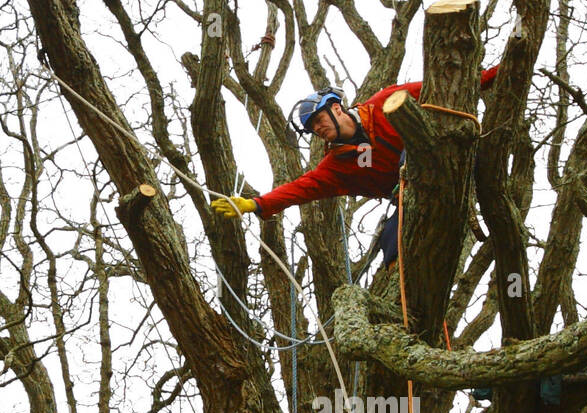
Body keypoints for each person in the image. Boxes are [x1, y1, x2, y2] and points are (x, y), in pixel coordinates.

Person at [209, 67, 499, 267]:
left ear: (336, 109)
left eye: (319, 121)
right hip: (415, 200)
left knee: (409, 156)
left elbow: (444, 88)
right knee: (391, 242)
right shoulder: (338, 167)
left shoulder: (385, 103)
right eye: (311, 129)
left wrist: (494, 75)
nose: (317, 130)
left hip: (451, 158)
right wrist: (256, 204)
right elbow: (302, 188)